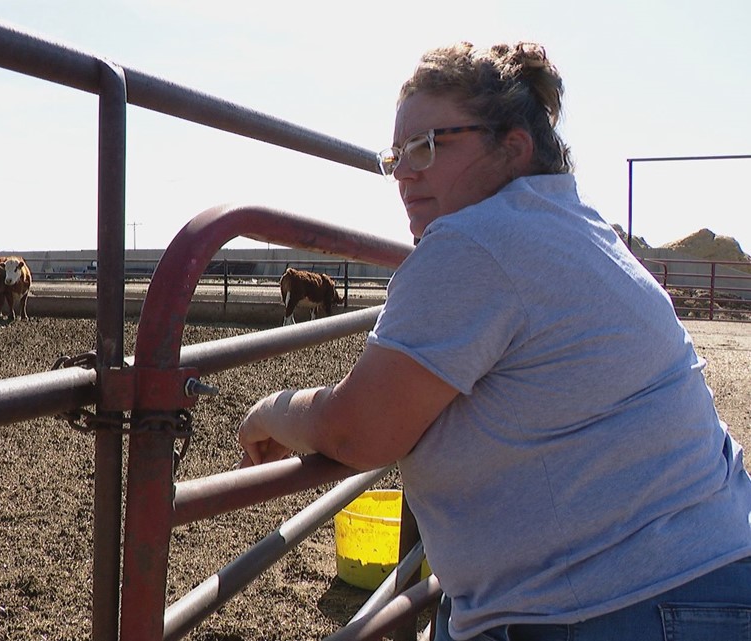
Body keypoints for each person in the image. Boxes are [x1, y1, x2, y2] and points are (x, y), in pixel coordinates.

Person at [237, 42, 751, 641]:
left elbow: (360, 430)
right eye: (396, 154)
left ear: (513, 147)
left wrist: (272, 410)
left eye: (429, 145)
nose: (404, 170)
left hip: (612, 608)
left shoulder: (476, 242)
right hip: (706, 576)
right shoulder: (581, 229)